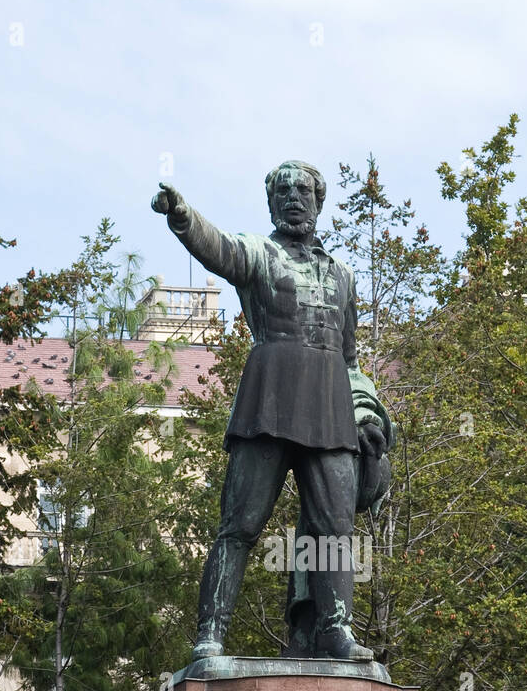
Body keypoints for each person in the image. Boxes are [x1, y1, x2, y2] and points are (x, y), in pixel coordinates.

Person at [151, 160, 391, 662]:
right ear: (270, 203)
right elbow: (219, 248)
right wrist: (182, 216)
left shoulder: (342, 276)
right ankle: (210, 636)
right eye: (283, 191)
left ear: (319, 201)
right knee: (239, 524)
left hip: (329, 407)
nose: (293, 198)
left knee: (334, 529)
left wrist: (368, 415)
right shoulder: (260, 254)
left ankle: (334, 629)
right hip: (269, 400)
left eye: (303, 190)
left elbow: (350, 360)